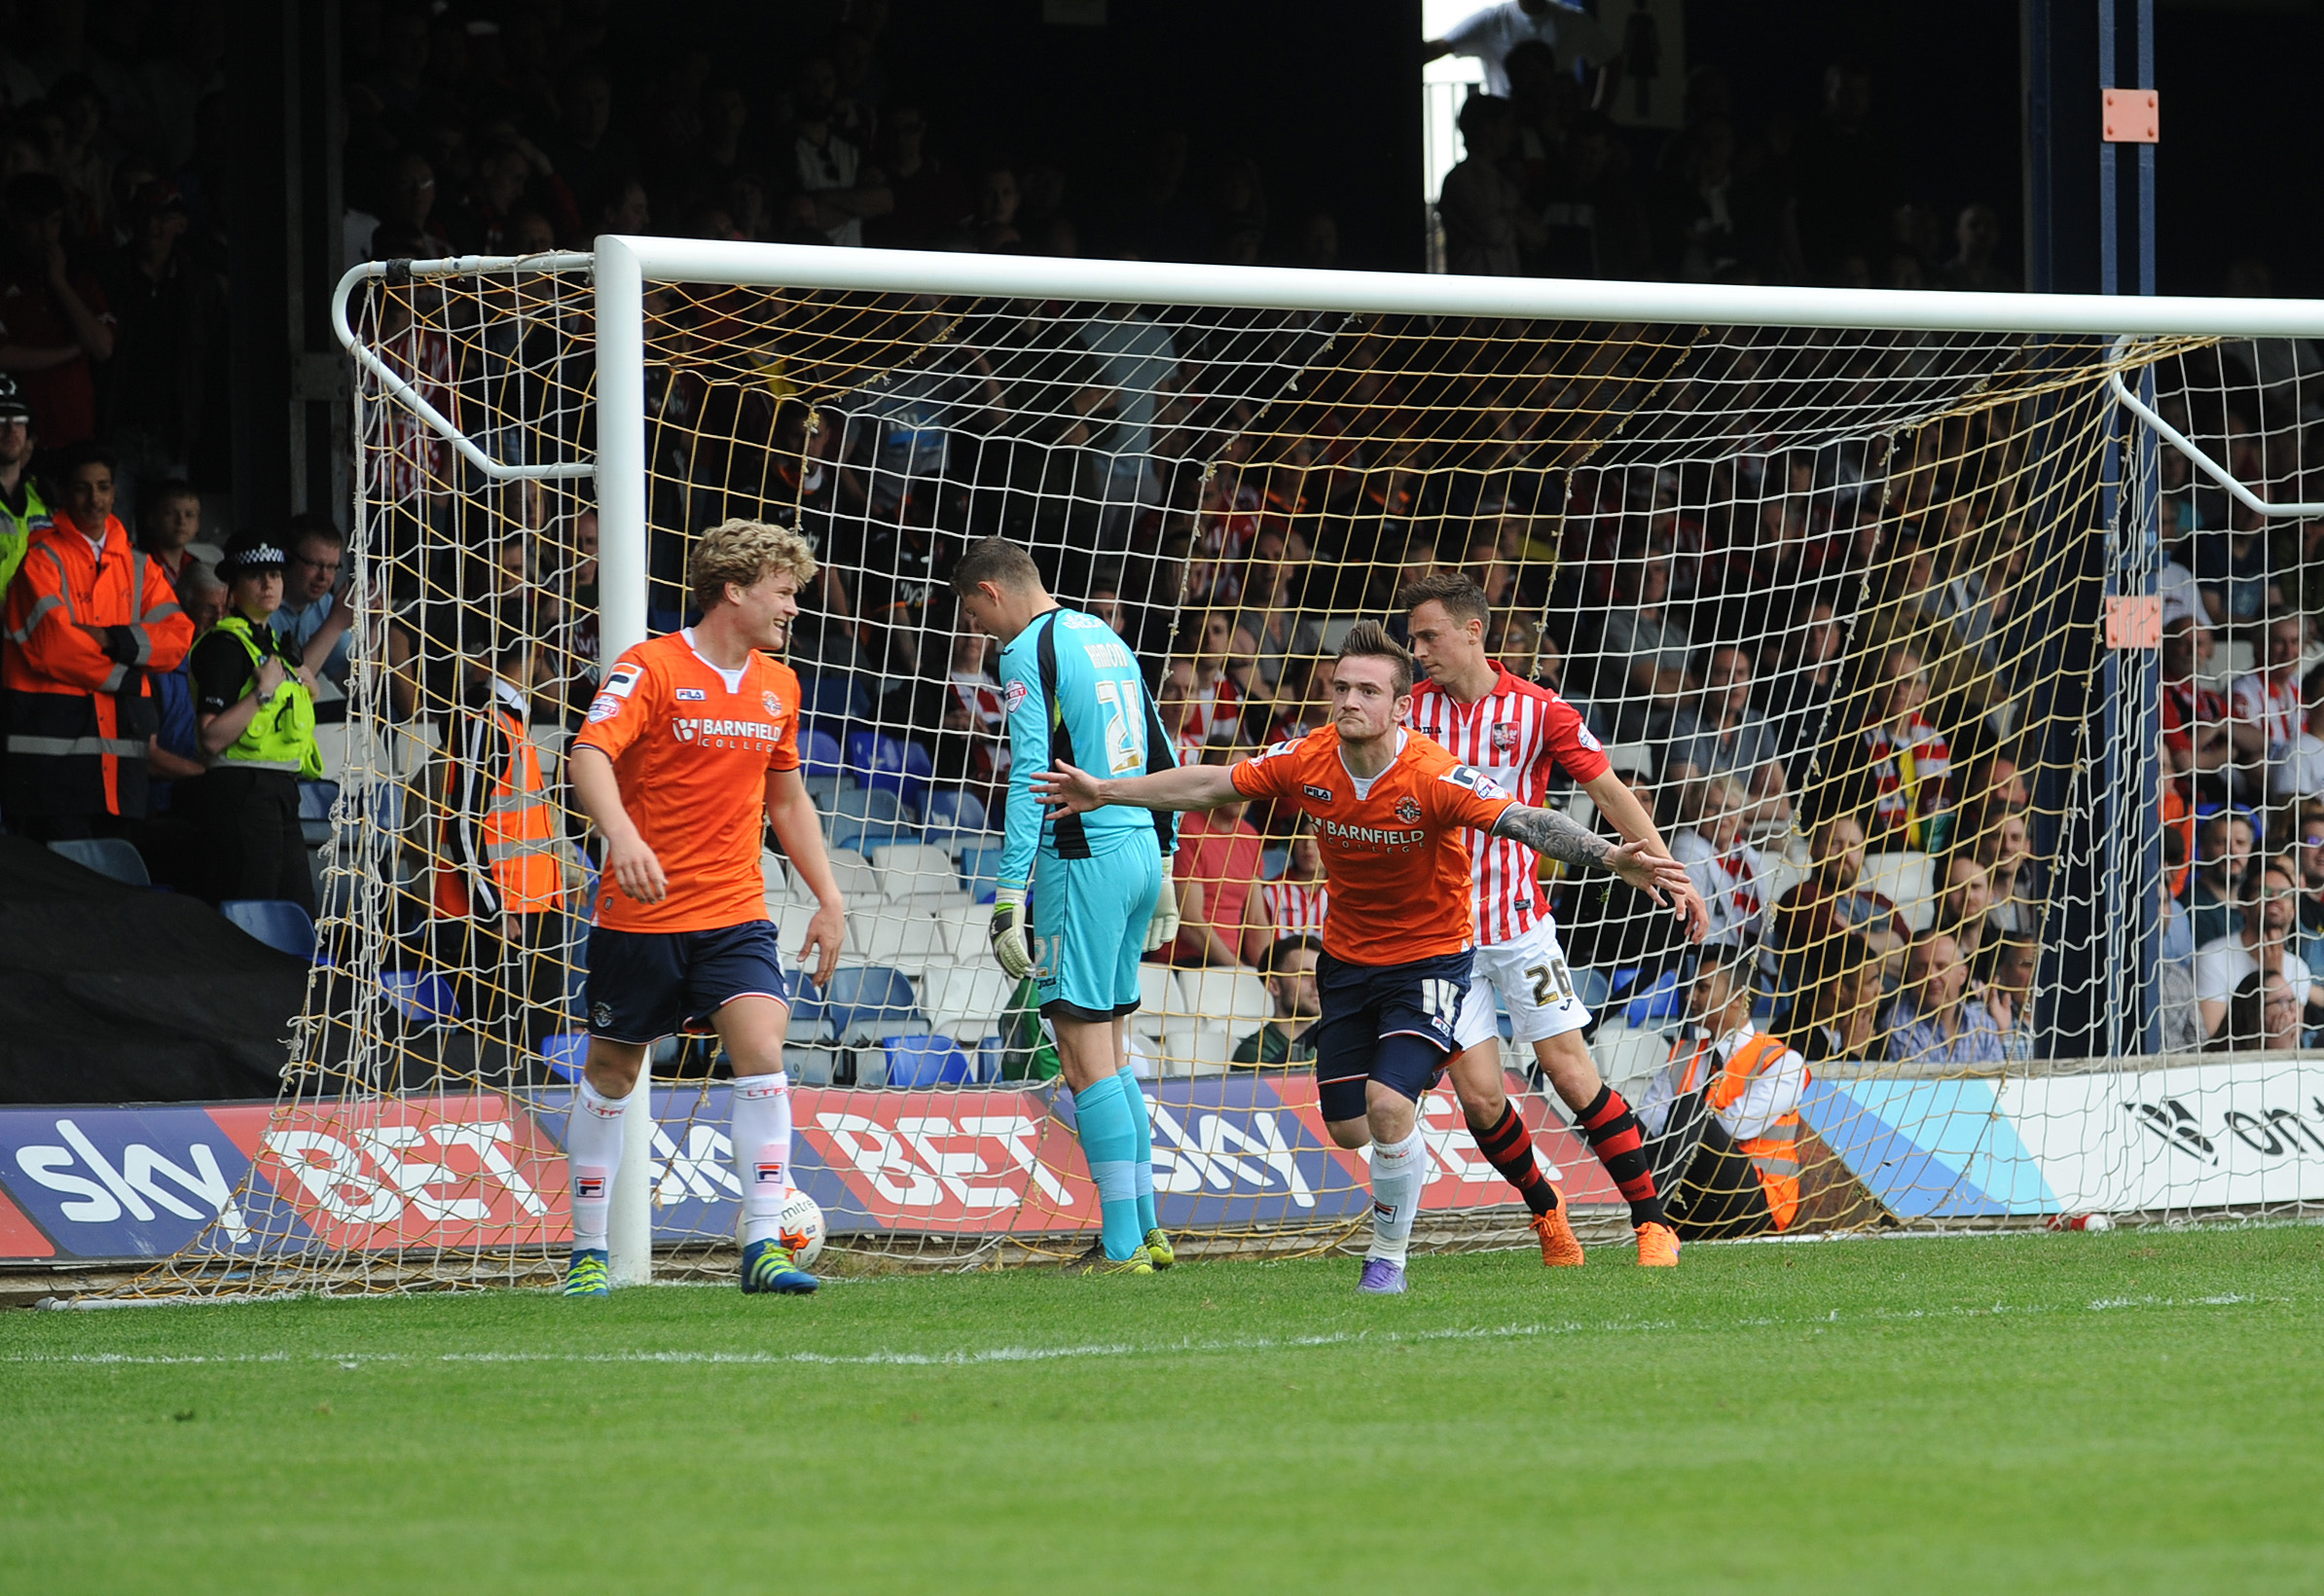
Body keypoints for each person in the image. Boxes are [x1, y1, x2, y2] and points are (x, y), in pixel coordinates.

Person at [1034, 622, 1692, 1294]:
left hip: (1433, 963)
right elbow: (1212, 785)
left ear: (1402, 706)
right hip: (1346, 965)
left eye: (1367, 690)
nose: (1349, 700)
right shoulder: (1310, 758)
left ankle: (1389, 1260)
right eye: (1341, 687)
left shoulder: (1434, 773)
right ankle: (1438, 1147)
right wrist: (1106, 791)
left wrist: (1614, 858)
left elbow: (1528, 821)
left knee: (1388, 1104)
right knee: (1350, 1129)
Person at [561, 519, 847, 1299]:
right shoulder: (651, 667)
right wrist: (620, 836)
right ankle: (588, 1251)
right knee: (614, 1074)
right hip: (643, 916)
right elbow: (589, 752)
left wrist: (827, 897)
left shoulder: (778, 686)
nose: (794, 609)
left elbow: (787, 800)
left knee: (761, 1050)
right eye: (784, 593)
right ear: (735, 590)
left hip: (734, 911)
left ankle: (762, 1244)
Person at [1402, 572, 1706, 1269]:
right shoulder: (1409, 711)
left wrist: (1673, 872)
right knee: (1481, 1099)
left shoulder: (1540, 711)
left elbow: (1608, 789)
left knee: (1570, 1074)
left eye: (1429, 636)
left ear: (1472, 631)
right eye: (1414, 639)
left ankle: (1652, 1224)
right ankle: (1547, 1210)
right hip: (1441, 937)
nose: (1418, 651)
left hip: (1517, 926)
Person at [954, 536, 1180, 1276]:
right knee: (1113, 1053)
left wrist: (1008, 895)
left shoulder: (1026, 652)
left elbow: (1031, 780)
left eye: (972, 614)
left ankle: (1121, 1249)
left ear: (990, 593)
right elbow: (1157, 745)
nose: (978, 631)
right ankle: (1147, 1233)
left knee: (1085, 1062)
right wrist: (1168, 855)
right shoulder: (1103, 633)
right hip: (1138, 848)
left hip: (1080, 861)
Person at [1, 441, 192, 841]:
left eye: (103, 487)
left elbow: (177, 640)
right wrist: (130, 673)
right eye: (82, 488)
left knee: (113, 884)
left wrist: (111, 639)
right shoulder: (40, 561)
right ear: (65, 493)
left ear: (115, 492)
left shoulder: (141, 567)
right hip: (50, 767)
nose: (94, 499)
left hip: (120, 772)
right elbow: (56, 648)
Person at [432, 633, 566, 1053]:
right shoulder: (485, 720)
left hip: (531, 912)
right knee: (503, 1058)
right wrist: (491, 909)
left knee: (532, 1054)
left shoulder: (505, 721)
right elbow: (462, 825)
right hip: (498, 920)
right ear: (540, 655)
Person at [186, 538, 323, 913]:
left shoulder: (274, 645)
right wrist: (261, 692)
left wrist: (307, 687)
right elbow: (212, 738)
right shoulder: (225, 646)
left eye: (275, 575)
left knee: (296, 911)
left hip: (281, 792)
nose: (268, 584)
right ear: (232, 588)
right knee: (254, 910)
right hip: (241, 792)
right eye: (255, 575)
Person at [1637, 946, 1811, 1240]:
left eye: (1703, 988)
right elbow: (1648, 1120)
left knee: (1690, 1109)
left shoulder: (1782, 1061)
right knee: (1616, 1115)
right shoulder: (1684, 1055)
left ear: (1738, 999)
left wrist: (1689, 1113)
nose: (1691, 997)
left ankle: (1648, 1214)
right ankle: (1641, 1210)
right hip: (1692, 1195)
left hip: (1755, 1200)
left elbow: (1734, 1127)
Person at [2194, 861, 2319, 1043]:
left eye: (2284, 894)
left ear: (2293, 911)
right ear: (2244, 905)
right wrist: (2268, 978)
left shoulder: (2299, 970)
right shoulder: (2213, 957)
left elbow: (2289, 1042)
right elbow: (2214, 1041)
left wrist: (2276, 976)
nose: (2275, 898)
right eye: (2265, 892)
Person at [1168, 750, 1267, 967]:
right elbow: (1191, 923)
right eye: (1234, 777)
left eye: (1250, 777)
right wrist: (1238, 971)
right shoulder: (1189, 830)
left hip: (1229, 966)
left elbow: (1257, 921)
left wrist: (1268, 978)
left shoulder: (1250, 835)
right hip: (1186, 962)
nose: (1243, 788)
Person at [1886, 928, 2006, 1068]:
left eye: (1942, 967)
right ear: (1909, 974)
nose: (1931, 976)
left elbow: (1995, 1084)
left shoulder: (1984, 1025)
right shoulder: (1899, 1025)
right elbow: (1922, 1087)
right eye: (1920, 968)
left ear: (1962, 974)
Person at [272, 515, 353, 687]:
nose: (324, 576)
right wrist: (335, 624)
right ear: (286, 559)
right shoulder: (263, 602)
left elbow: (357, 688)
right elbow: (285, 688)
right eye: (315, 565)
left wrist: (372, 627)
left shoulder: (326, 605)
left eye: (332, 567)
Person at [1230, 933, 1323, 1067]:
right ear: (1274, 986)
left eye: (1319, 974)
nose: (1316, 983)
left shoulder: (1332, 1046)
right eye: (1304, 975)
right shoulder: (1255, 1052)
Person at [0, 372, 46, 595]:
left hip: (31, 625)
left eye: (19, 421)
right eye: (0, 420)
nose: (11, 430)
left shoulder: (46, 499)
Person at [1258, 816, 1328, 940]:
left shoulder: (1344, 893)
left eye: (1318, 838)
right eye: (1302, 837)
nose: (1308, 845)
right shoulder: (1271, 892)